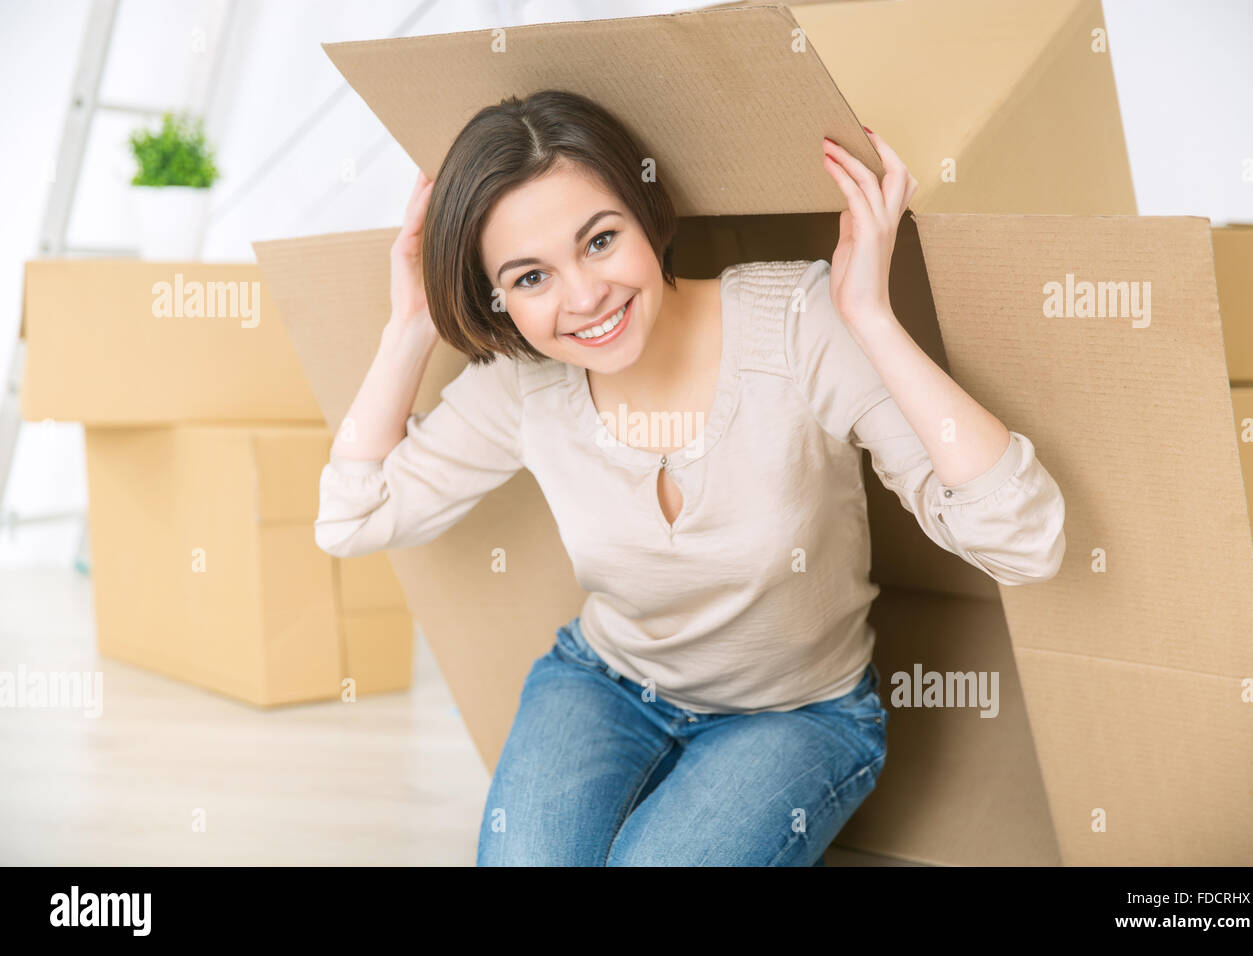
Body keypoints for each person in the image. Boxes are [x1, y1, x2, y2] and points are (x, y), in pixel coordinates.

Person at [315, 90, 1066, 866]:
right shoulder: (525, 383)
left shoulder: (796, 323)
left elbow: (1026, 540)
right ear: (499, 299)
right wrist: (410, 326)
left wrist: (870, 315)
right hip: (604, 686)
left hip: (796, 715)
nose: (583, 298)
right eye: (530, 278)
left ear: (647, 213)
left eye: (600, 240)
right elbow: (352, 519)